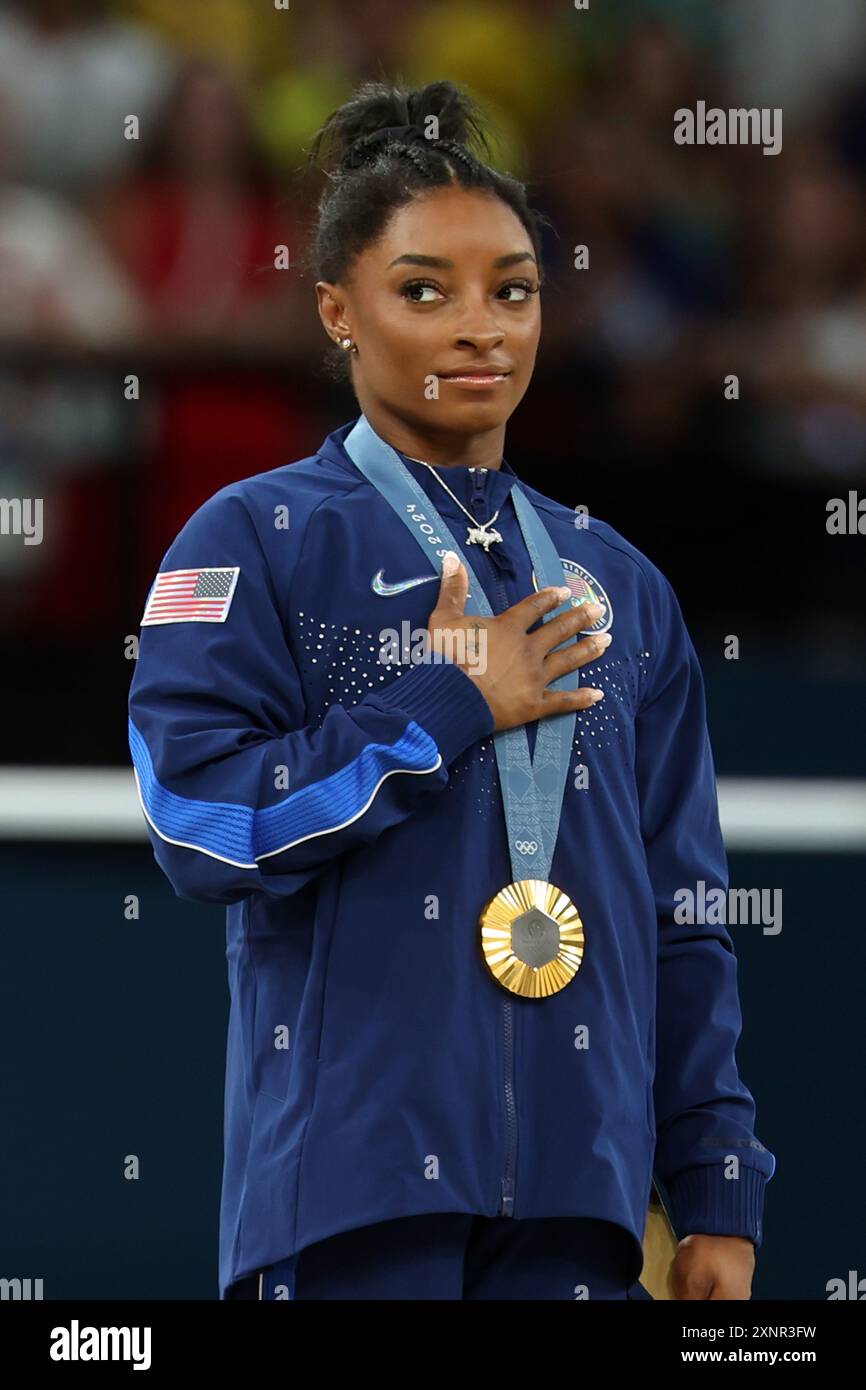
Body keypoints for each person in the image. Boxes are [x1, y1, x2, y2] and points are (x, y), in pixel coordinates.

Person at [127, 79, 775, 1301]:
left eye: (511, 291)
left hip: (582, 1207)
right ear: (336, 311)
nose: (479, 327)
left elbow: (684, 913)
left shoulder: (620, 585)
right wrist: (443, 707)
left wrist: (715, 1180)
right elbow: (196, 826)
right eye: (422, 291)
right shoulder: (250, 539)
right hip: (349, 1197)